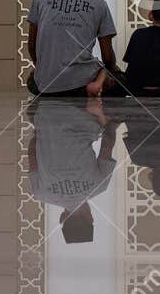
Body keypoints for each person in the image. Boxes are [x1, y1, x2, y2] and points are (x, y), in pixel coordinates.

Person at [25, 95, 119, 244]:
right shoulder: (41, 194)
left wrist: (112, 123)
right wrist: (42, 129)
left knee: (107, 121)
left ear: (90, 218)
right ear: (62, 218)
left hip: (83, 109)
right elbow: (32, 152)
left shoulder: (100, 186)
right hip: (46, 109)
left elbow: (107, 143)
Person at [26, 0, 119, 97]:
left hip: (43, 86)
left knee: (32, 78)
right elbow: (107, 57)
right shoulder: (100, 5)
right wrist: (112, 71)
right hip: (81, 85)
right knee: (120, 79)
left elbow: (31, 45)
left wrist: (43, 70)